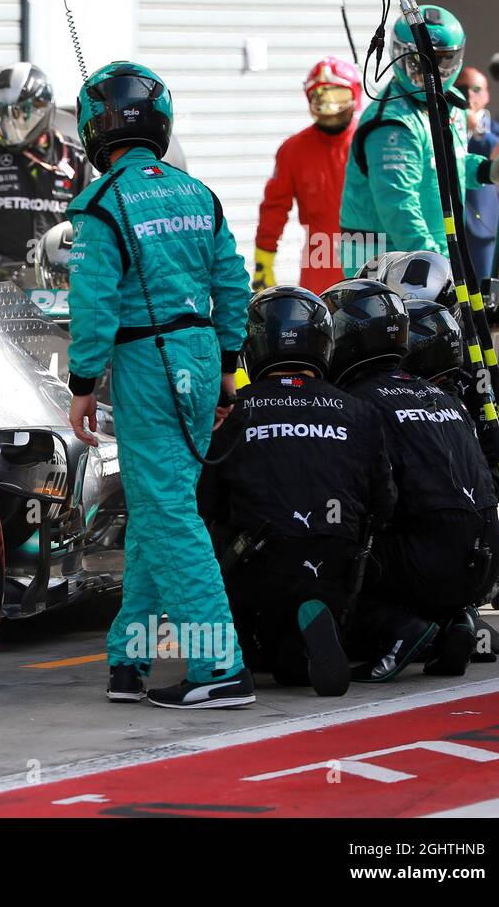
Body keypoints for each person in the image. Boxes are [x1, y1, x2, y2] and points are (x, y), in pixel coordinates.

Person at [66, 61, 254, 709]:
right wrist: (228, 371)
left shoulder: (99, 205)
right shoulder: (199, 194)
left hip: (148, 363)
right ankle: (130, 660)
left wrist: (83, 382)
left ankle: (218, 666)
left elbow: (93, 306)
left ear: (97, 130)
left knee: (169, 511)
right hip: (202, 356)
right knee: (155, 504)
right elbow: (233, 286)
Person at [198, 286, 395, 696]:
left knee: (264, 656)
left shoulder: (232, 412)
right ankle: (314, 623)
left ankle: (264, 642)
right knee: (293, 663)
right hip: (338, 561)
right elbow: (384, 502)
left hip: (260, 560)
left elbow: (206, 502)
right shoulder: (359, 411)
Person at [324, 278, 499, 680]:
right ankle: (455, 621)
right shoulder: (445, 396)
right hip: (483, 559)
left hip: (428, 557)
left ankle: (397, 631)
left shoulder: (356, 403)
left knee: (328, 542)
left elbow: (367, 497)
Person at [339, 7, 499, 273]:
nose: (432, 74)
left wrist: (485, 170)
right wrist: (438, 264)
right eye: (421, 63)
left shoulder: (447, 107)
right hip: (384, 259)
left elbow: (441, 164)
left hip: (430, 249)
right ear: (399, 55)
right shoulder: (392, 123)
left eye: (443, 62)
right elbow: (399, 207)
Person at [0, 62, 88, 284]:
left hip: (59, 281)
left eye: (16, 115)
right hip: (1, 279)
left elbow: (89, 222)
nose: (7, 124)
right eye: (0, 115)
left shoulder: (76, 158)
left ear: (40, 108)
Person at [254, 57, 362, 294]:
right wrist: (264, 260)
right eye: (321, 98)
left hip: (370, 254)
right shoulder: (293, 150)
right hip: (320, 261)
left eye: (337, 97)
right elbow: (274, 207)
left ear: (355, 94)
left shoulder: (370, 141)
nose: (330, 108)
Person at [458, 67, 499, 278]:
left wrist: (477, 131)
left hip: (482, 226)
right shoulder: (440, 123)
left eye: (476, 89)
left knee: (483, 295)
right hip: (448, 227)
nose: (469, 95)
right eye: (462, 88)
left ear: (486, 95)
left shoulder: (495, 129)